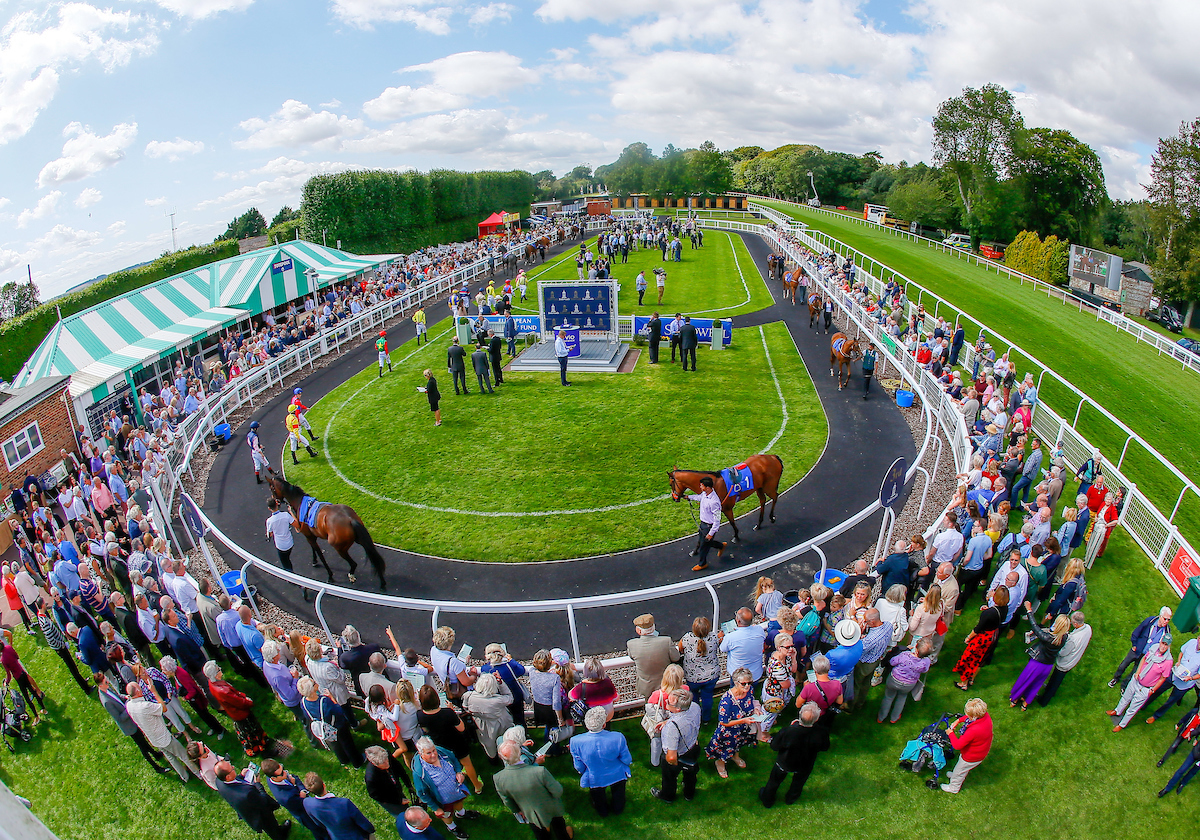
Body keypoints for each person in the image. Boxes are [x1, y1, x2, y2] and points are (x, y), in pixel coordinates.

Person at [125, 681, 200, 782]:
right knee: (184, 755)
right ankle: (198, 773)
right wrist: (154, 691)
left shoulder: (129, 705)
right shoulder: (145, 706)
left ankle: (184, 777)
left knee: (171, 759)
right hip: (165, 738)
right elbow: (163, 708)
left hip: (154, 740)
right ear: (138, 691)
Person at [494, 741, 572, 839]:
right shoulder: (540, 771)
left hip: (530, 812)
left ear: (501, 758)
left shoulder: (498, 778)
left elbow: (507, 801)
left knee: (540, 833)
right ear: (519, 753)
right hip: (551, 807)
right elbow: (558, 791)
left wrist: (518, 810)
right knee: (559, 828)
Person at [96, 672, 169, 774]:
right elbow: (119, 718)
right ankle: (156, 767)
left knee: (144, 741)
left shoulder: (107, 688)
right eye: (105, 681)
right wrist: (129, 706)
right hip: (128, 726)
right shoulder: (106, 702)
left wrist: (126, 697)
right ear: (100, 685)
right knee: (142, 746)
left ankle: (155, 754)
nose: (108, 682)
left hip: (131, 718)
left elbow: (118, 697)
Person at [759, 701, 828, 808]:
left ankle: (767, 800)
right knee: (798, 783)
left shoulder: (788, 731)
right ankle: (791, 798)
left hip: (785, 762)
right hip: (805, 764)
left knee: (774, 781)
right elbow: (824, 747)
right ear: (816, 719)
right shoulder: (821, 732)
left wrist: (792, 726)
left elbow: (774, 746)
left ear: (799, 714)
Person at [206, 660, 280, 757]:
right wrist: (248, 701)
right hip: (241, 714)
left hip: (235, 714)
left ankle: (262, 742)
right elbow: (238, 702)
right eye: (218, 669)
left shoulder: (212, 683)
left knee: (251, 732)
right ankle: (264, 751)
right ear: (215, 675)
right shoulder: (223, 691)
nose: (220, 669)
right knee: (253, 732)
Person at [417, 685, 484, 794]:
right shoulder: (447, 713)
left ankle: (455, 786)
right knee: (467, 763)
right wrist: (453, 711)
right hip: (456, 742)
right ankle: (477, 786)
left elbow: (425, 730)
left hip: (439, 745)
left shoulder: (420, 715)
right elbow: (461, 728)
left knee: (448, 766)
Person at [411, 737, 478, 840]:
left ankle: (461, 813)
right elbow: (422, 793)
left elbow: (454, 759)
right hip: (442, 801)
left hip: (457, 791)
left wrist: (458, 772)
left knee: (459, 802)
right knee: (446, 815)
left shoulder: (442, 752)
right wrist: (435, 808)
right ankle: (452, 827)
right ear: (421, 754)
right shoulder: (420, 773)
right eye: (429, 753)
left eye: (434, 750)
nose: (433, 755)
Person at [570, 705, 632, 817]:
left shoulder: (575, 741)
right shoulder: (618, 737)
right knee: (618, 794)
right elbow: (626, 759)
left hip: (595, 776)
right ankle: (618, 809)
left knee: (598, 797)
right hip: (617, 774)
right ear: (604, 725)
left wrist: (585, 771)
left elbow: (578, 765)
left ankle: (603, 812)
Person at [1009, 605, 1070, 709]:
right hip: (1048, 665)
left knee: (1025, 680)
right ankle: (1026, 703)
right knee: (1036, 684)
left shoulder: (1048, 638)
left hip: (1037, 664)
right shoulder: (1063, 638)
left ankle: (1015, 699)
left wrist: (1029, 611)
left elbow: (1035, 627)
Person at [213, 760, 292, 840]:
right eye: (232, 769)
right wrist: (258, 784)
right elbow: (263, 801)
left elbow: (233, 782)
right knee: (271, 826)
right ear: (228, 777)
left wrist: (241, 776)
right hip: (259, 814)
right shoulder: (247, 793)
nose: (233, 767)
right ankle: (280, 836)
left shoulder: (218, 781)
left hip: (247, 808)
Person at [1109, 638, 1173, 731]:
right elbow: (1144, 659)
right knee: (1126, 697)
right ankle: (1117, 711)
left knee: (1133, 708)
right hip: (1136, 680)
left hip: (1145, 688)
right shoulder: (1154, 648)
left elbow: (1163, 678)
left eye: (1166, 645)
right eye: (1163, 643)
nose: (1163, 646)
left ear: (1169, 646)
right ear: (1160, 642)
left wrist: (1153, 690)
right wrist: (1138, 672)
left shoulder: (1168, 661)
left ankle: (1122, 725)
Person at [706, 667, 759, 779]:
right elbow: (724, 722)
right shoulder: (727, 700)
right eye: (743, 684)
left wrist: (756, 709)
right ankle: (720, 763)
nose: (747, 686)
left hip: (743, 727)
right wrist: (743, 720)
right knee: (726, 749)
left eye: (749, 682)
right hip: (729, 731)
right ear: (735, 682)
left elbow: (752, 700)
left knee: (739, 744)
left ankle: (736, 756)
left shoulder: (750, 690)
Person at [653, 686, 702, 803]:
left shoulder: (671, 728)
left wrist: (674, 764)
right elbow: (684, 720)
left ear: (678, 709)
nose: (666, 701)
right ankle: (689, 794)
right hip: (693, 747)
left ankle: (668, 796)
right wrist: (667, 721)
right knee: (690, 775)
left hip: (678, 754)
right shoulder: (694, 706)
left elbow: (671, 757)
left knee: (669, 778)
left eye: (668, 702)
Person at [953, 586, 1007, 690]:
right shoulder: (1005, 608)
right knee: (980, 660)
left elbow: (978, 628)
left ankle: (964, 683)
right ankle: (972, 679)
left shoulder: (988, 614)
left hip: (982, 638)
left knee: (970, 659)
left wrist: (968, 637)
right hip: (993, 635)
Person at [263, 760, 331, 840]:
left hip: (301, 801)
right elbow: (301, 804)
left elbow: (295, 778)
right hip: (305, 813)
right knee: (319, 830)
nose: (285, 772)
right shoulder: (286, 798)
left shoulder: (275, 776)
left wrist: (302, 790)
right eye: (281, 773)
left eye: (283, 768)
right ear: (273, 778)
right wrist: (301, 794)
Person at [1110, 607, 1173, 688]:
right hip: (1137, 650)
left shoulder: (1166, 630)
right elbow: (1137, 631)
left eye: (1168, 620)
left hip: (1146, 655)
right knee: (1123, 665)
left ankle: (1124, 685)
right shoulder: (1150, 621)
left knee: (1135, 671)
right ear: (1160, 616)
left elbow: (1163, 644)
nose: (1166, 621)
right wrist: (1134, 645)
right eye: (1165, 619)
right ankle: (1116, 678)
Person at [940, 698, 993, 793]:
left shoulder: (974, 730)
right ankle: (956, 774)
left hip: (972, 756)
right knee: (961, 769)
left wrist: (950, 733)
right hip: (980, 750)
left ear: (974, 716)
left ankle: (954, 788)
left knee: (960, 771)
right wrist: (958, 720)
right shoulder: (985, 716)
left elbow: (957, 745)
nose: (967, 716)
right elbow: (969, 717)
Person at [1146, 631, 1200, 723]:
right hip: (1175, 674)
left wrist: (1190, 678)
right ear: (1198, 638)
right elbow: (1182, 652)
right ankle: (1144, 704)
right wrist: (1179, 661)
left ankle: (1156, 716)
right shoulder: (1191, 642)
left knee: (1170, 701)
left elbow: (1199, 674)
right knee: (1158, 689)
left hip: (1184, 684)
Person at [302, 772, 375, 840]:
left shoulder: (307, 803)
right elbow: (361, 821)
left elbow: (318, 823)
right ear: (324, 785)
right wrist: (371, 830)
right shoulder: (344, 803)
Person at [627, 613, 681, 700]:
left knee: (650, 704)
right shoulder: (666, 641)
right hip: (667, 684)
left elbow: (632, 656)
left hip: (646, 686)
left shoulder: (631, 644)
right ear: (654, 627)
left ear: (639, 631)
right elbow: (676, 657)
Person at [877, 638, 932, 724]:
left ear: (916, 648)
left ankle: (881, 717)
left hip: (894, 680)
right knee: (902, 698)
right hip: (909, 684)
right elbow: (925, 670)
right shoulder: (926, 661)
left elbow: (892, 662)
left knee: (888, 697)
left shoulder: (905, 655)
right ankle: (894, 718)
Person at [461, 672, 514, 762]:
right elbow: (509, 697)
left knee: (488, 743)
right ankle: (506, 756)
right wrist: (501, 683)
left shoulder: (469, 696)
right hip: (500, 723)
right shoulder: (498, 700)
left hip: (481, 723)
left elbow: (466, 708)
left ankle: (492, 759)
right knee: (504, 740)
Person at [678, 616, 719, 724]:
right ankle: (706, 719)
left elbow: (680, 649)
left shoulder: (687, 638)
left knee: (693, 697)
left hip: (692, 677)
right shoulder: (714, 637)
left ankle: (695, 718)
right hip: (711, 676)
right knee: (707, 697)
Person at [686, 476, 727, 571]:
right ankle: (721, 546)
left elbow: (717, 519)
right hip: (703, 524)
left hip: (708, 527)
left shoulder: (714, 502)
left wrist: (711, 533)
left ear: (707, 487)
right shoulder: (705, 494)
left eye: (702, 485)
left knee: (703, 546)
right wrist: (688, 497)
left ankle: (702, 564)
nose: (700, 487)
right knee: (706, 542)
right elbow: (699, 497)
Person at [1, 633, 45, 721]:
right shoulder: (9, 648)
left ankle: (36, 717)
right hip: (22, 672)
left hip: (18, 677)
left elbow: (9, 674)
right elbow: (17, 656)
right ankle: (43, 709)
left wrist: (6, 682)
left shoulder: (3, 660)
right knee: (32, 690)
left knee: (27, 698)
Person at [364, 745, 414, 817]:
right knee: (401, 814)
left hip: (395, 789)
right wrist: (398, 801)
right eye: (383, 763)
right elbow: (377, 796)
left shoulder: (386, 756)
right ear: (375, 764)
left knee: (406, 807)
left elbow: (399, 769)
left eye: (387, 760)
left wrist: (408, 785)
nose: (387, 764)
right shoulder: (371, 778)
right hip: (388, 799)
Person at [720, 609, 767, 683]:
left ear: (738, 621)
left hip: (738, 677)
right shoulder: (759, 630)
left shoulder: (730, 637)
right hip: (755, 674)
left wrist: (721, 637)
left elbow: (722, 648)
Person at [265, 499, 295, 572]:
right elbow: (296, 524)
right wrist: (291, 512)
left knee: (285, 563)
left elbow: (270, 534)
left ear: (269, 508)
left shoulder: (269, 521)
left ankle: (290, 575)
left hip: (281, 546)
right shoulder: (286, 515)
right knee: (287, 559)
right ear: (276, 504)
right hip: (290, 543)